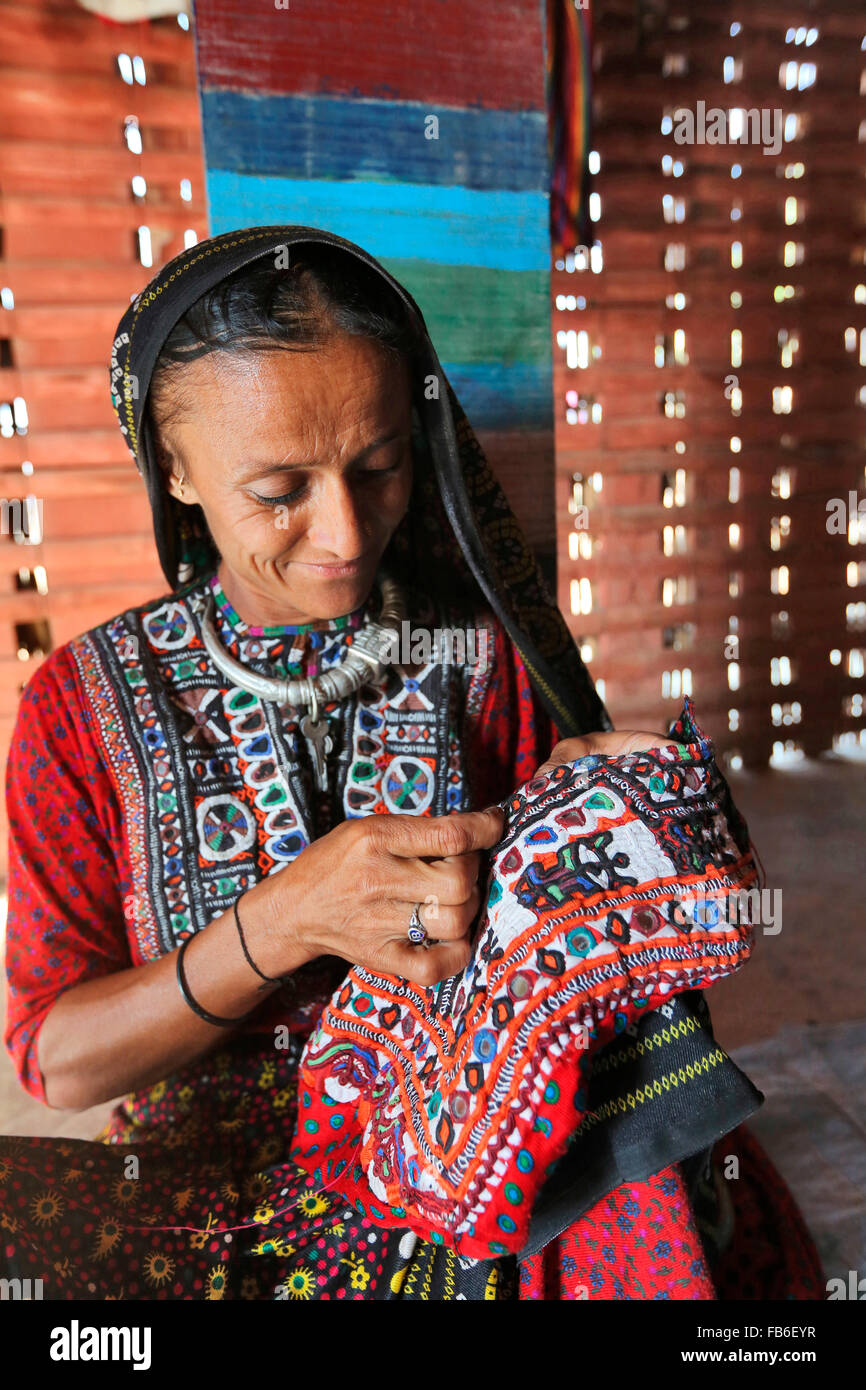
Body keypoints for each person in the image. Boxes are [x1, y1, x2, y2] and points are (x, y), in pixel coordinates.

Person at [1, 226, 823, 1300]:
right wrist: (282, 919)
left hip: (462, 1120)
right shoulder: (79, 706)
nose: (343, 530)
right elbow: (60, 1061)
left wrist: (583, 821)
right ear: (175, 468)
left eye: (378, 465)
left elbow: (556, 963)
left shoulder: (481, 656)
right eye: (278, 488)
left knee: (636, 1196)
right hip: (210, 1152)